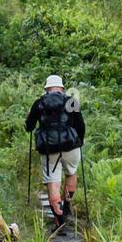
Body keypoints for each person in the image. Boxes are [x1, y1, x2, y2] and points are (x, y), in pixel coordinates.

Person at [24, 74, 85, 225]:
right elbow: (81, 125)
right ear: (62, 88)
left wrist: (30, 119)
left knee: (53, 183)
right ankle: (67, 207)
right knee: (71, 174)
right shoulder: (71, 101)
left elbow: (29, 127)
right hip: (71, 146)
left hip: (48, 148)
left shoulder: (39, 103)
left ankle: (59, 221)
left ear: (47, 88)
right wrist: (80, 141)